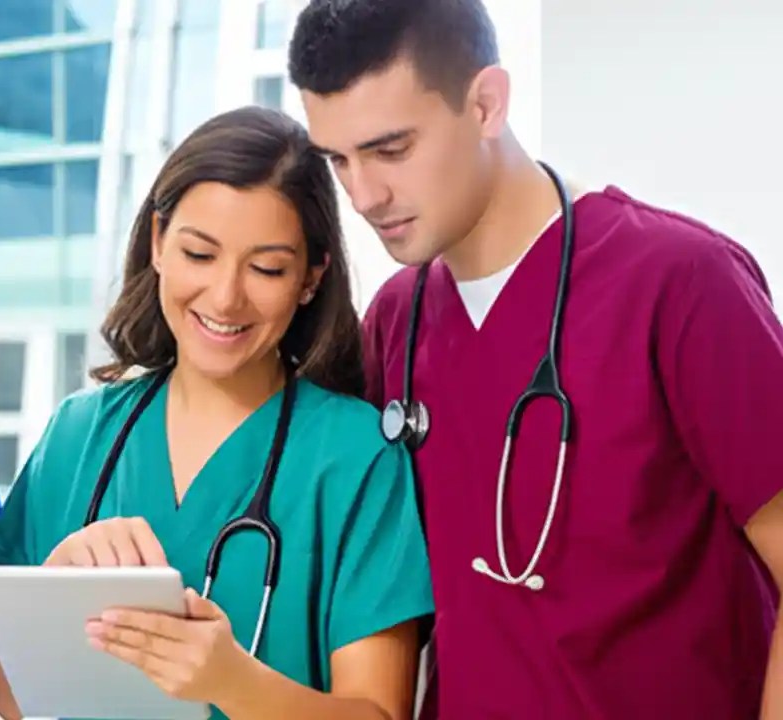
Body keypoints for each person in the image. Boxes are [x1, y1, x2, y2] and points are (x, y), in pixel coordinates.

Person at [287, 1, 783, 718]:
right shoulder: (397, 320)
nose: (364, 195)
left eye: (391, 149)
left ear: (486, 102)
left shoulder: (679, 283)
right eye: (340, 160)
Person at [0, 106, 434, 720]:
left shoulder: (356, 459)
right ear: (159, 243)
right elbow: (7, 697)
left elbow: (381, 713)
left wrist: (232, 680)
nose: (225, 297)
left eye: (267, 268)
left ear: (310, 278)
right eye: (200, 255)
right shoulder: (77, 437)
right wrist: (55, 591)